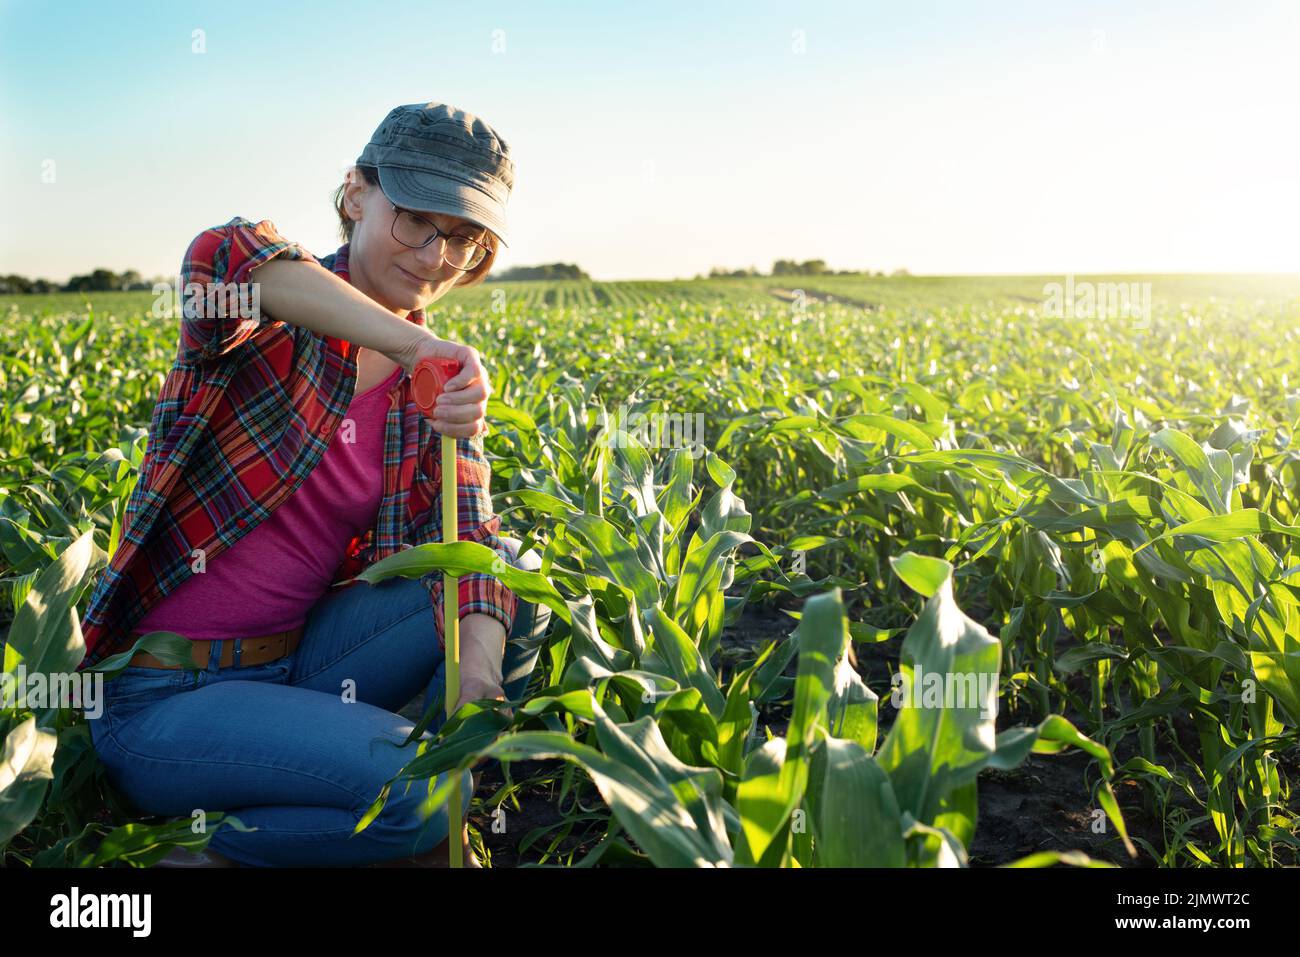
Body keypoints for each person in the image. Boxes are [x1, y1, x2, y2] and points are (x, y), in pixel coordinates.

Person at [75, 102, 550, 867]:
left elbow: (473, 539)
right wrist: (414, 342)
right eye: (415, 219)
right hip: (164, 699)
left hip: (301, 670)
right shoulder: (265, 317)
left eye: (464, 237)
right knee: (420, 795)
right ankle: (204, 854)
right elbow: (219, 255)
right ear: (356, 193)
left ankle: (366, 774)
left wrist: (479, 684)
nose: (435, 256)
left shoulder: (433, 390)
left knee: (509, 572)